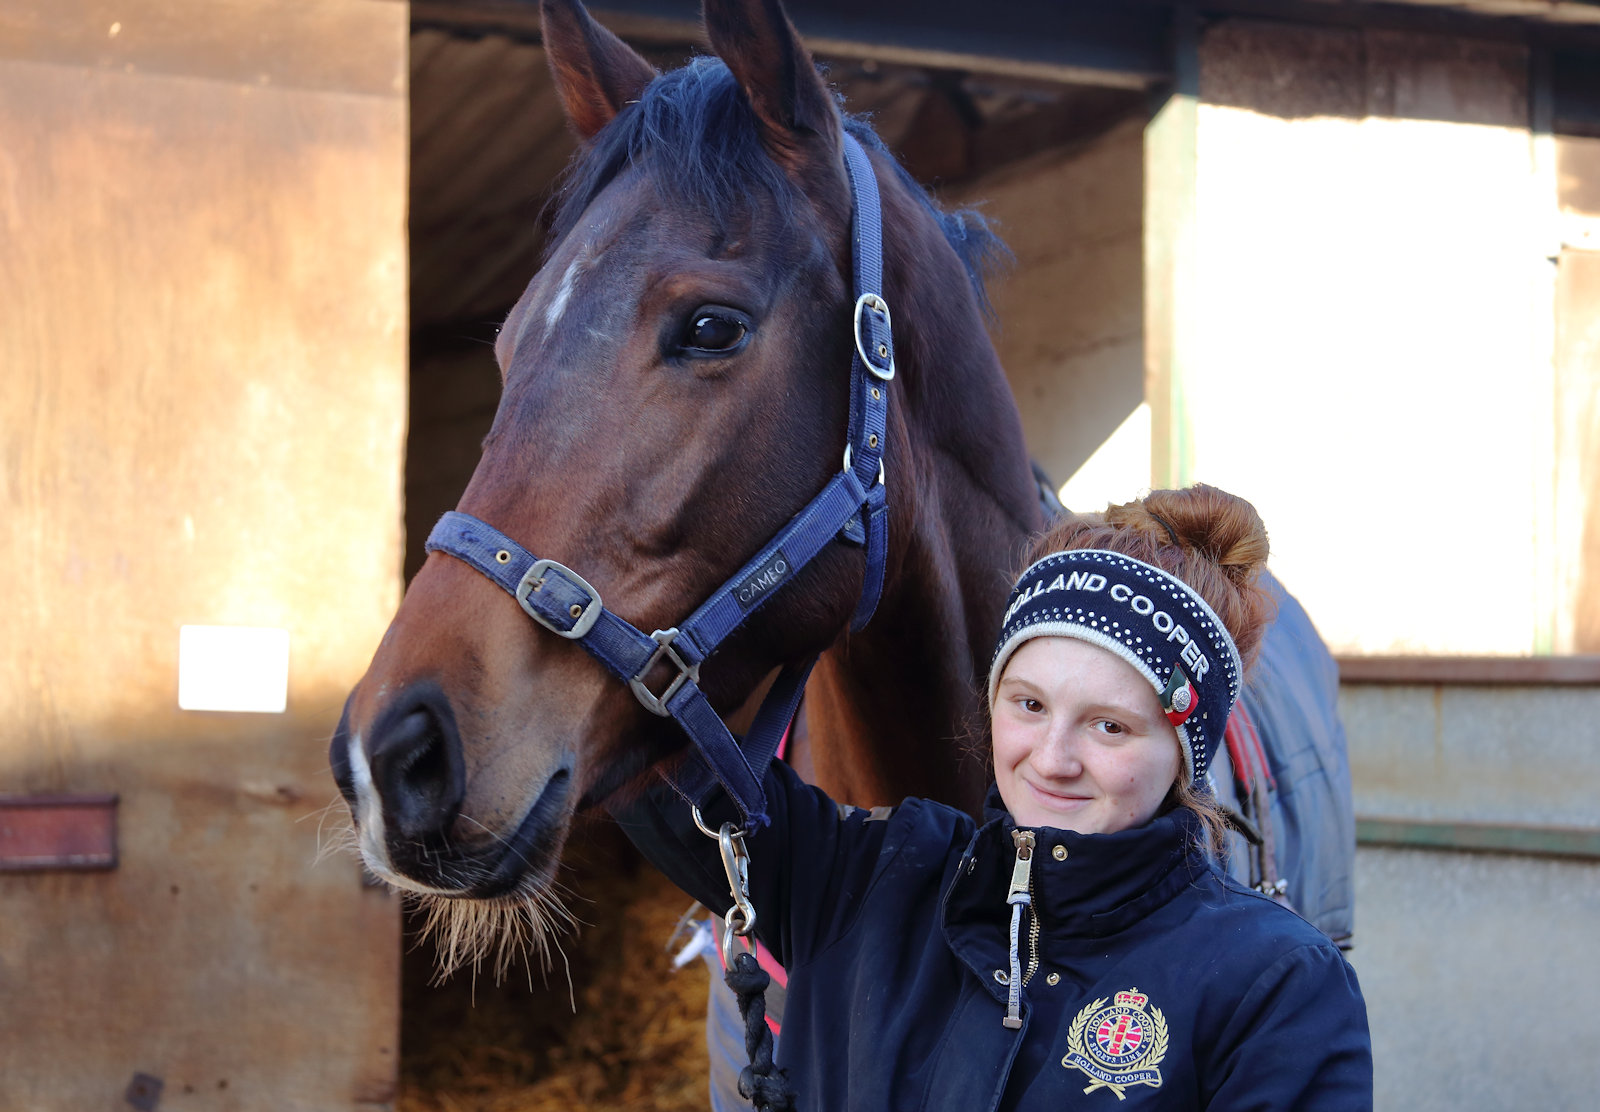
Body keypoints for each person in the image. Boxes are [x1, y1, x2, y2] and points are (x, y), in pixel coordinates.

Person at [614, 484, 1372, 1110]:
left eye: (1109, 726)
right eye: (1029, 705)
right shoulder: (861, 881)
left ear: (1182, 753)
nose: (1051, 759)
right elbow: (644, 745)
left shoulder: (1275, 984)